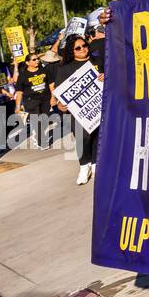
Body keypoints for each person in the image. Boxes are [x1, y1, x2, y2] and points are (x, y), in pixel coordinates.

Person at [48, 33, 102, 185]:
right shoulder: (65, 69)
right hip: (76, 113)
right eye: (78, 48)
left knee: (97, 136)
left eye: (84, 45)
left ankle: (96, 165)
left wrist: (105, 77)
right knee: (83, 138)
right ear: (72, 51)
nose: (83, 49)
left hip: (98, 108)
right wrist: (60, 105)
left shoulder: (98, 61)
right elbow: (59, 91)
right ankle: (84, 167)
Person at [14, 51, 54, 150]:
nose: (37, 61)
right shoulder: (23, 75)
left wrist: (54, 97)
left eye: (37, 59)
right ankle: (42, 142)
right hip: (31, 101)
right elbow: (19, 92)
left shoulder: (44, 70)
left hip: (45, 99)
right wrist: (18, 106)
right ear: (27, 62)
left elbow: (51, 85)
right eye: (34, 59)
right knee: (37, 122)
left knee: (44, 120)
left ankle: (37, 135)